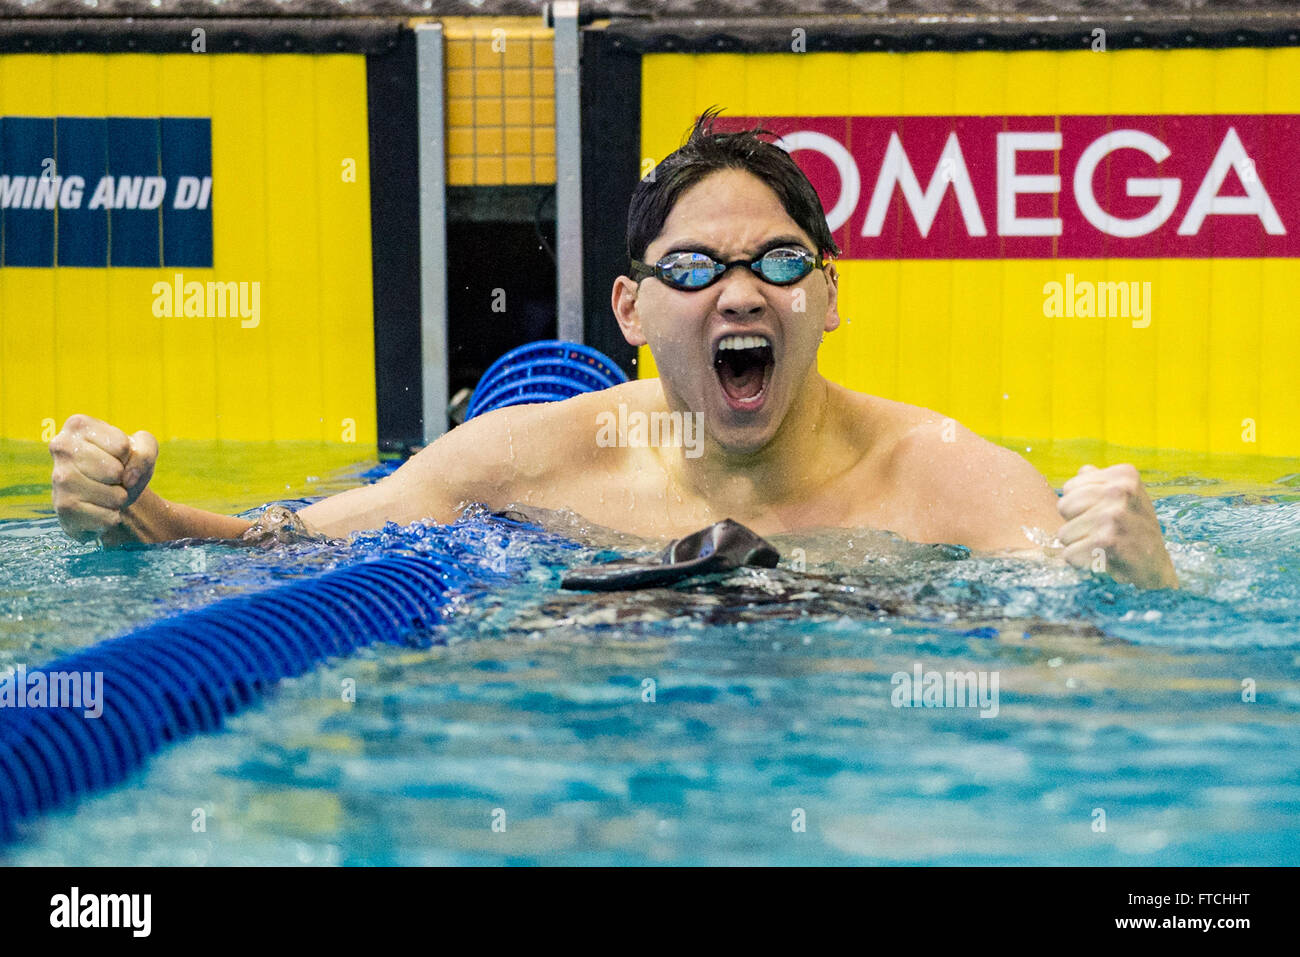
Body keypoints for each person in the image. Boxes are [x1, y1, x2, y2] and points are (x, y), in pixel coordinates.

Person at [48, 110, 1178, 589]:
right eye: (694, 270)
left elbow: (1101, 669)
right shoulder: (527, 456)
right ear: (631, 314)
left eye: (778, 264)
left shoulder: (949, 479)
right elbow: (276, 545)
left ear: (828, 298)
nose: (740, 293)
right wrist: (132, 513)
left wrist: (1148, 573)